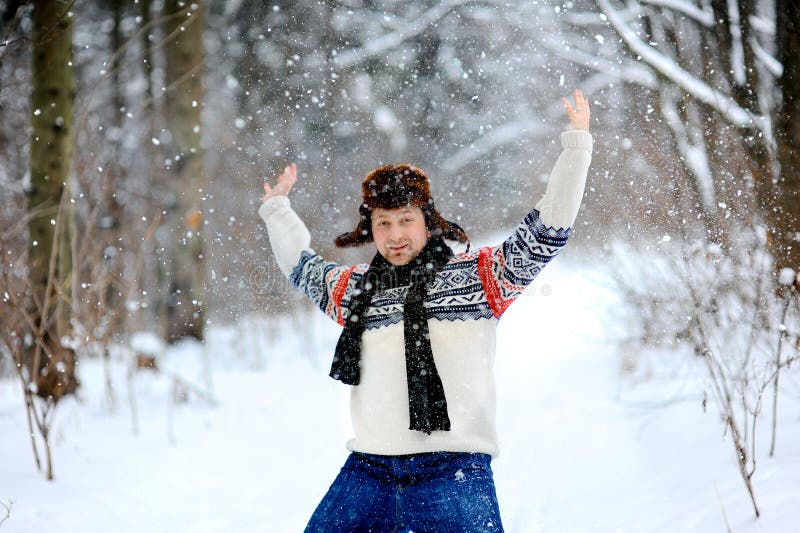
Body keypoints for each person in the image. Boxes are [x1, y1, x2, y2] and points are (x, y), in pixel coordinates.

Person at [259, 89, 593, 532]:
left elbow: (547, 231)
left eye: (406, 220)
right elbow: (302, 268)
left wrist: (576, 146)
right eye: (383, 223)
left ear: (427, 221)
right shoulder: (357, 290)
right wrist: (277, 209)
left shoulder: (479, 277)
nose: (395, 235)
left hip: (453, 470)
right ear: (371, 229)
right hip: (369, 471)